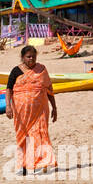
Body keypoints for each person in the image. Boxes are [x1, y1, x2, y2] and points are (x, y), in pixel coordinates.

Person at [5, 45, 57, 176]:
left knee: (39, 135)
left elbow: (49, 90)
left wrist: (54, 107)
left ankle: (39, 163)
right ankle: (23, 165)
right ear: (22, 58)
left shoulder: (41, 70)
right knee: (23, 137)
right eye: (28, 57)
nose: (31, 59)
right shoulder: (16, 71)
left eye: (33, 56)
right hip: (21, 112)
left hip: (40, 111)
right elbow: (9, 89)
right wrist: (8, 106)